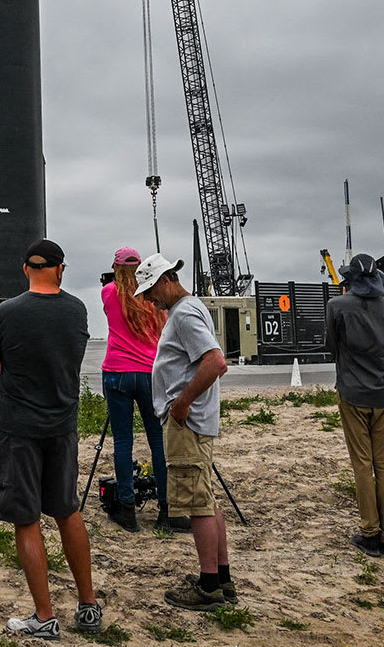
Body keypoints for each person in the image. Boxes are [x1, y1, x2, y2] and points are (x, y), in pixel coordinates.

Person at [0, 239, 99, 638]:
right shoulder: (76, 309)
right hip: (62, 425)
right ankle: (88, 605)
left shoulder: (8, 312)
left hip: (19, 429)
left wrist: (2, 362)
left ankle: (44, 617)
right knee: (67, 511)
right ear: (60, 269)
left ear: (25, 269)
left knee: (26, 520)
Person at [137, 253, 236, 612]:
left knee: (197, 505)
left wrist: (181, 403)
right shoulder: (187, 311)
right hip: (193, 421)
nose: (149, 300)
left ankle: (209, 585)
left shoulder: (185, 313)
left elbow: (216, 362)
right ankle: (221, 579)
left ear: (166, 280)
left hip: (188, 423)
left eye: (150, 291)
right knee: (205, 498)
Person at [325, 253, 384, 558]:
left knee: (362, 464)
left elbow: (332, 344)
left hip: (353, 392)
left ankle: (370, 532)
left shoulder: (337, 306)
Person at [99, 246, 172, 534]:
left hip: (117, 372)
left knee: (123, 441)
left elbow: (110, 296)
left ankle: (126, 508)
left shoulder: (108, 292)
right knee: (157, 442)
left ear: (116, 268)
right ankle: (165, 508)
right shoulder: (151, 295)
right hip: (149, 372)